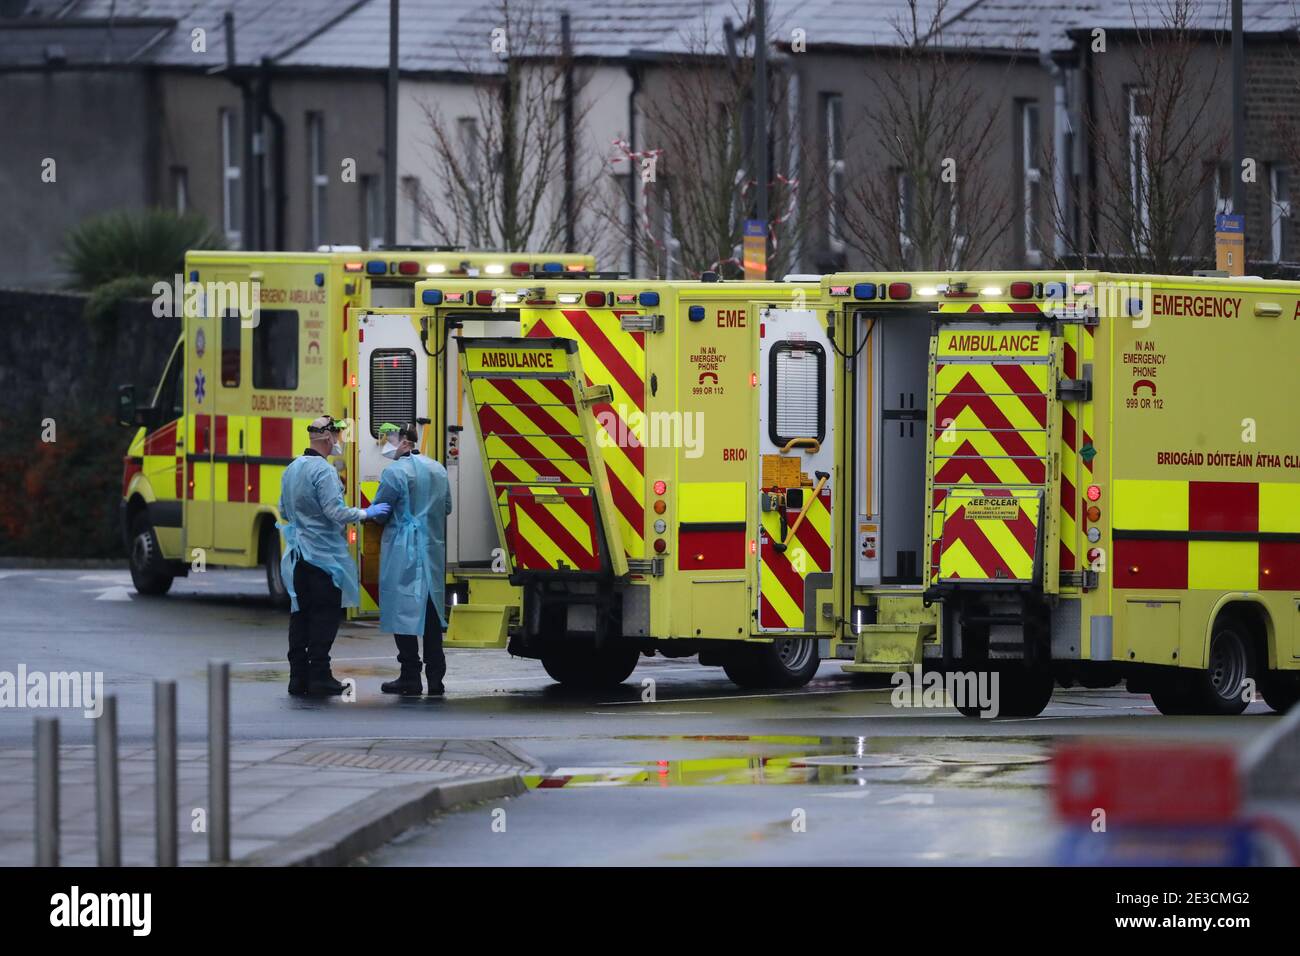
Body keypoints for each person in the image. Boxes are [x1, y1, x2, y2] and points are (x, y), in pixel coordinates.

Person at [279, 416, 390, 697]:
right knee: (324, 616)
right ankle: (319, 676)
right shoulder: (324, 472)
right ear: (327, 438)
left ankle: (298, 678)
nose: (339, 440)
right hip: (323, 558)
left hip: (299, 556)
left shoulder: (292, 469)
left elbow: (283, 510)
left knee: (300, 615)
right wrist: (366, 513)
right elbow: (336, 513)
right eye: (337, 434)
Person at [371, 422, 453, 697]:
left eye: (390, 439)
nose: (386, 445)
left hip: (402, 550)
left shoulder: (394, 472)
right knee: (431, 612)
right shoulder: (438, 468)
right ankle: (436, 678)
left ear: (405, 441)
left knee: (402, 610)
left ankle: (409, 676)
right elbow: (448, 508)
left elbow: (380, 511)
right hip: (431, 548)